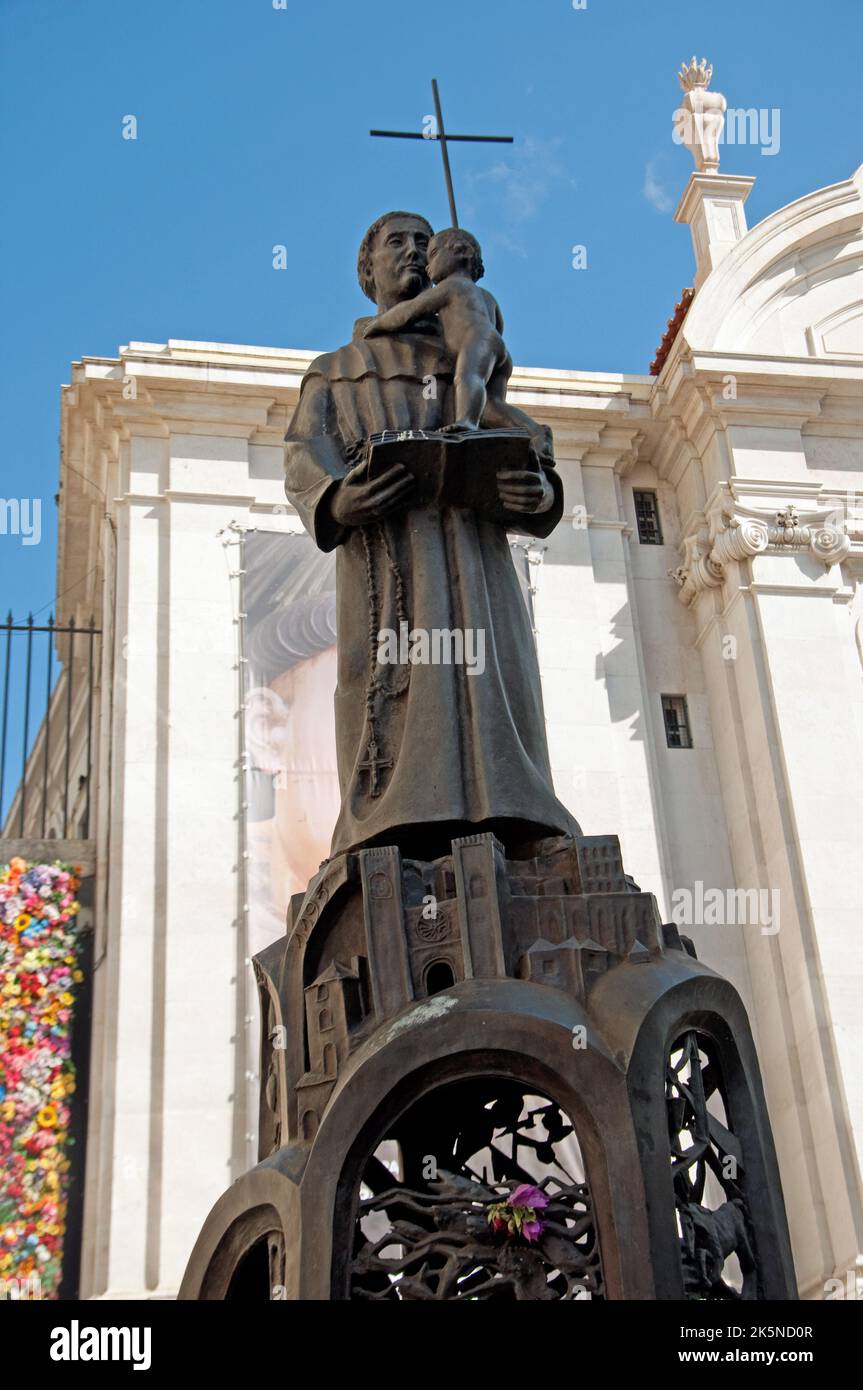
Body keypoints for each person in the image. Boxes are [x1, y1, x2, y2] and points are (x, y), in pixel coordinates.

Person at [284, 210, 580, 860]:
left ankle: (517, 809)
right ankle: (390, 817)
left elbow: (522, 440)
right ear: (368, 269)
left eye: (424, 242)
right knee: (394, 685)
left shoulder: (467, 355)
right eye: (397, 243)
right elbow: (304, 455)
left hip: (476, 563)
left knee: (491, 677)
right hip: (386, 563)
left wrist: (538, 492)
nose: (414, 252)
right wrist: (341, 496)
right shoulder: (335, 369)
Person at [362, 226, 507, 433]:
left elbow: (409, 311)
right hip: (496, 350)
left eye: (432, 254)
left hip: (477, 344)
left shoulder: (450, 286)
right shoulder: (486, 296)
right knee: (492, 406)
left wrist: (378, 323)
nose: (427, 267)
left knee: (467, 379)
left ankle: (467, 422)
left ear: (460, 252)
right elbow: (497, 327)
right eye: (396, 242)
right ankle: (535, 431)